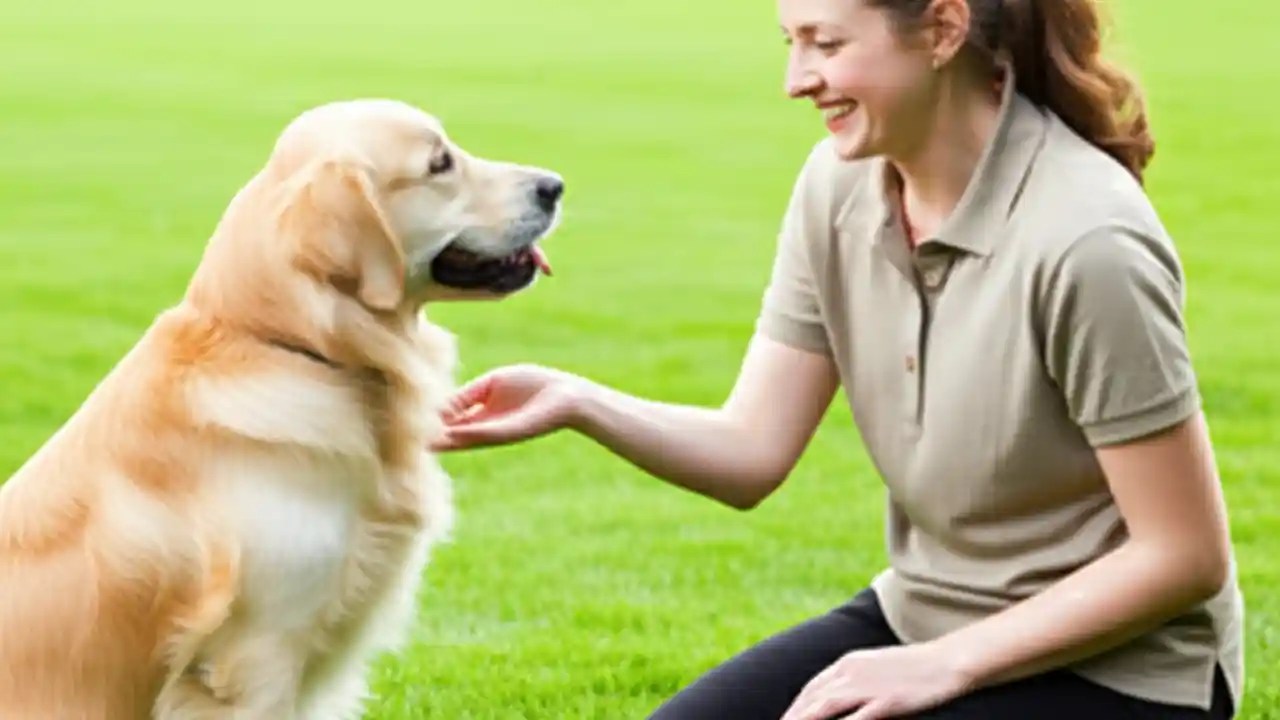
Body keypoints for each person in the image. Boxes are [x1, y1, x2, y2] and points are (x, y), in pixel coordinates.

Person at [432, 0, 1245, 718]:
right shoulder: (840, 184)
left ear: (942, 28)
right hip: (926, 617)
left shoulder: (1088, 242)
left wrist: (941, 667)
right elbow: (752, 451)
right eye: (790, 41)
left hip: (1126, 675)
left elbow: (1183, 556)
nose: (796, 78)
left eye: (825, 43)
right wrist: (577, 401)